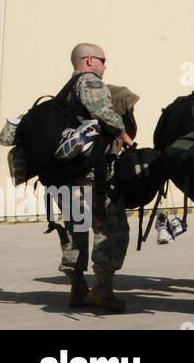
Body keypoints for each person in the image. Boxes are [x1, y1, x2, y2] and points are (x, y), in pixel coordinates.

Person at [53, 44, 134, 311]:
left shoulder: (65, 91)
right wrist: (124, 134)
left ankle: (77, 287)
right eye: (102, 60)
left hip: (67, 175)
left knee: (76, 230)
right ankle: (102, 288)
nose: (105, 65)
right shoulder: (90, 82)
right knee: (111, 229)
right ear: (89, 61)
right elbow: (104, 115)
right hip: (93, 176)